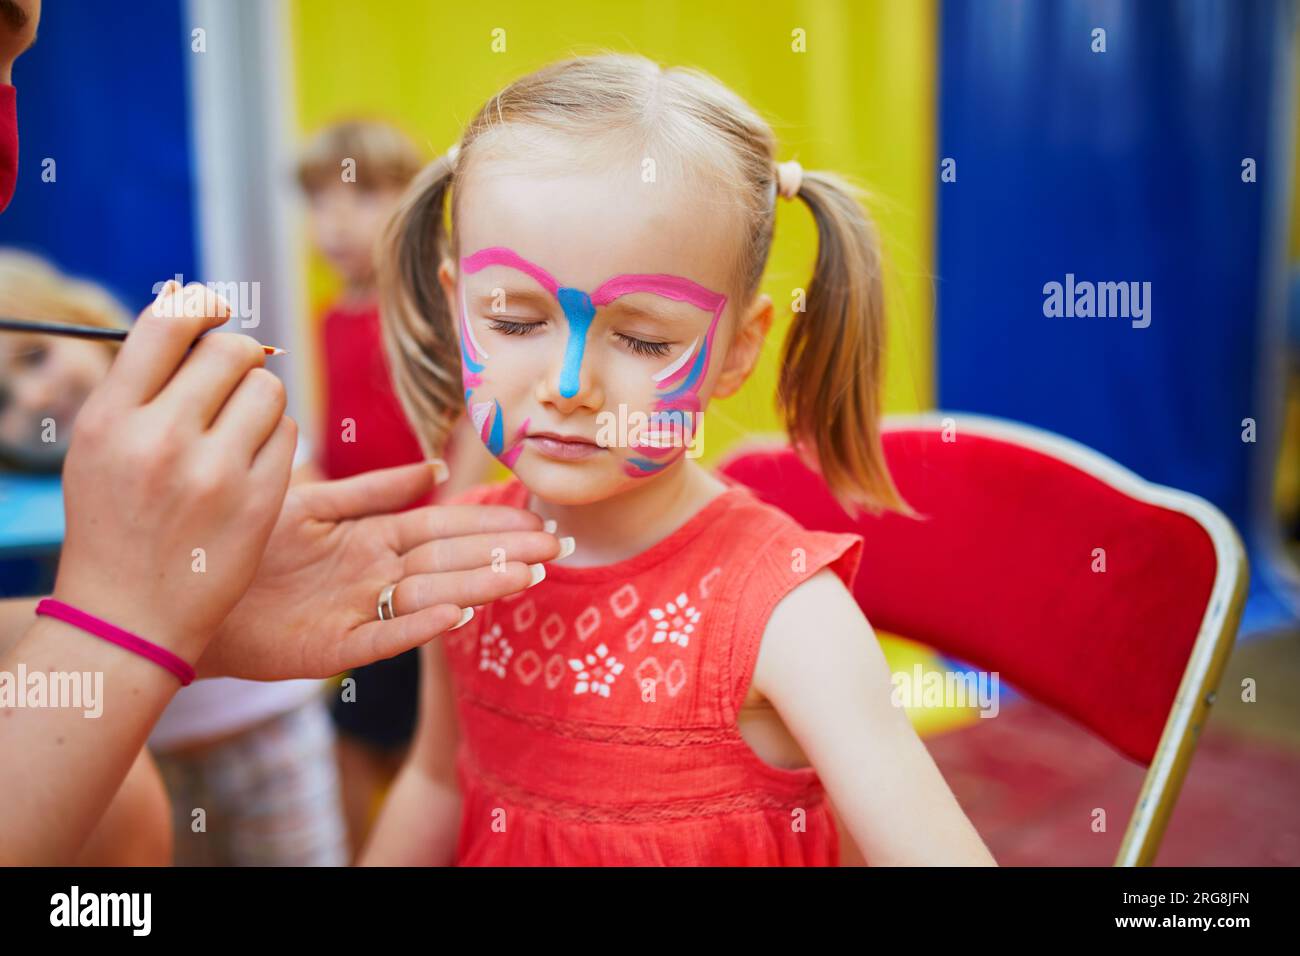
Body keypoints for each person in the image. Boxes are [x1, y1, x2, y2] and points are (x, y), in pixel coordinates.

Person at [362, 53, 996, 866]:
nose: (569, 385)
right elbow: (437, 784)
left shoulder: (786, 619)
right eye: (515, 321)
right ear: (457, 306)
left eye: (643, 340)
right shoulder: (458, 560)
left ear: (738, 351)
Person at [0, 280, 565, 864]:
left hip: (262, 734)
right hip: (156, 745)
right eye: (2, 402)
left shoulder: (214, 441)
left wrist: (184, 621)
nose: (36, 396)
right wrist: (138, 618)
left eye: (36, 354)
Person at [295, 119, 493, 857]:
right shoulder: (325, 319)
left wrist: (448, 507)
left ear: (411, 204)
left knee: (437, 739)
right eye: (318, 203)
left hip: (429, 555)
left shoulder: (427, 305)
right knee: (350, 732)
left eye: (360, 197)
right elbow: (331, 428)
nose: (335, 222)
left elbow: (477, 409)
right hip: (364, 556)